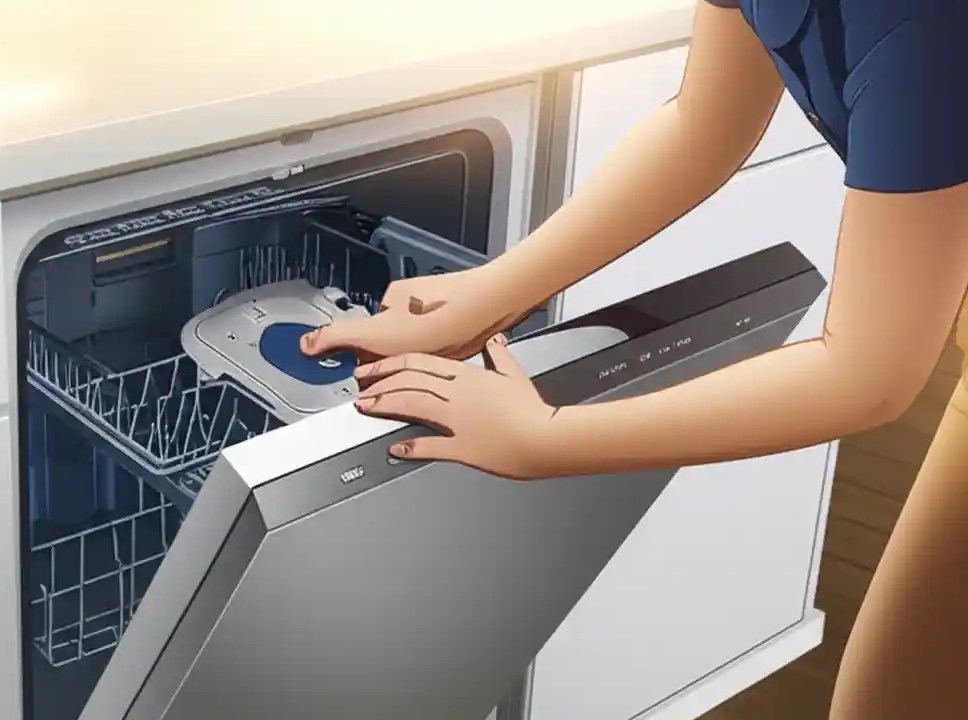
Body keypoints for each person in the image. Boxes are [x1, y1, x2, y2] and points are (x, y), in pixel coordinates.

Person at [300, 1, 968, 717]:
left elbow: (865, 375)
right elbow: (701, 127)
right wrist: (486, 297)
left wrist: (546, 437)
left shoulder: (920, 32)